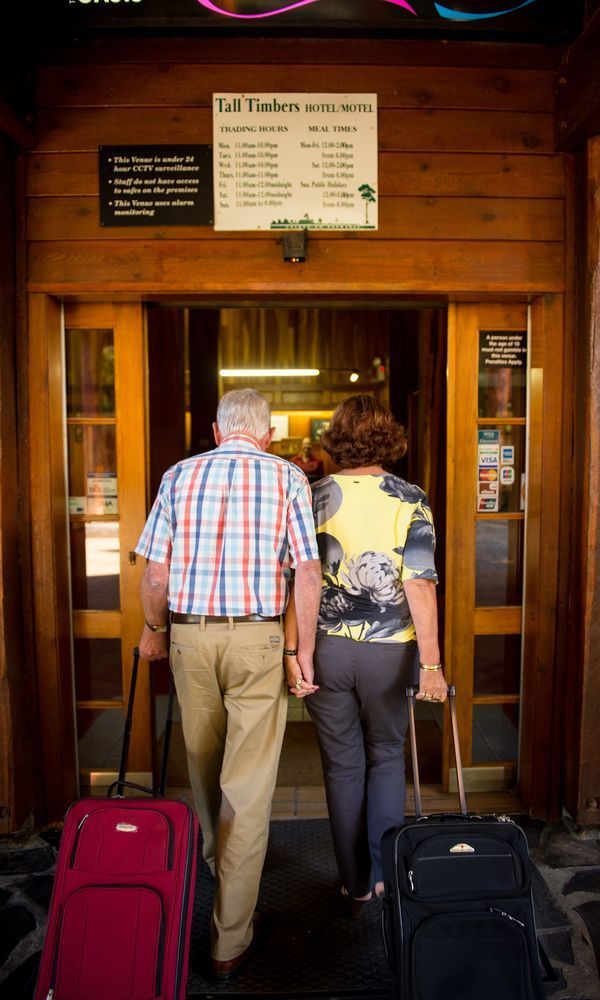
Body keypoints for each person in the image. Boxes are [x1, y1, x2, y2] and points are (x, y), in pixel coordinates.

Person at [135, 388, 322, 980]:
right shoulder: (287, 477)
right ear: (266, 434)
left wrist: (152, 630)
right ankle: (228, 939)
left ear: (218, 432)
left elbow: (156, 569)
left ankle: (223, 871)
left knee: (202, 762)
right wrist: (303, 653)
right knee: (248, 784)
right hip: (258, 640)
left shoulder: (178, 475)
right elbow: (308, 572)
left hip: (191, 638)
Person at [283, 395, 447, 914]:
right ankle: (384, 878)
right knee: (385, 757)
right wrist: (431, 664)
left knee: (342, 766)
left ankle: (354, 882)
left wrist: (295, 652)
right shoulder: (410, 498)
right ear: (389, 438)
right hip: (389, 654)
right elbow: (419, 585)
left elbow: (297, 581)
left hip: (326, 648)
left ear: (337, 439)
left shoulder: (311, 495)